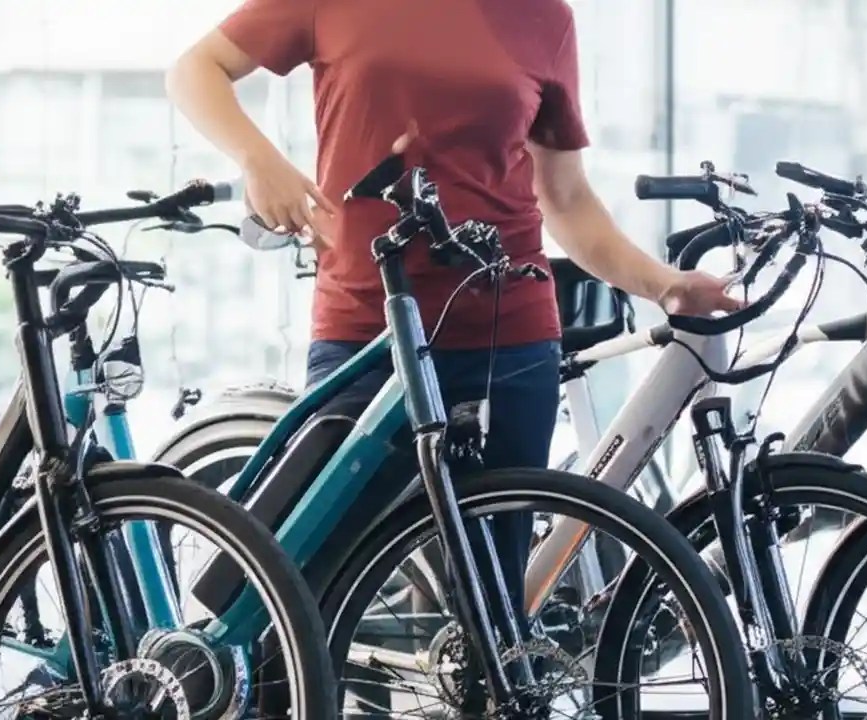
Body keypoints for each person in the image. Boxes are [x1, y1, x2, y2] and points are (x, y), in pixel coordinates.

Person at [167, 0, 739, 624]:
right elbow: (198, 68)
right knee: (307, 592)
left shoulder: (545, 18)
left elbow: (567, 197)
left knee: (493, 610)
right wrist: (259, 159)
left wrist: (665, 286)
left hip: (510, 338)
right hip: (369, 332)